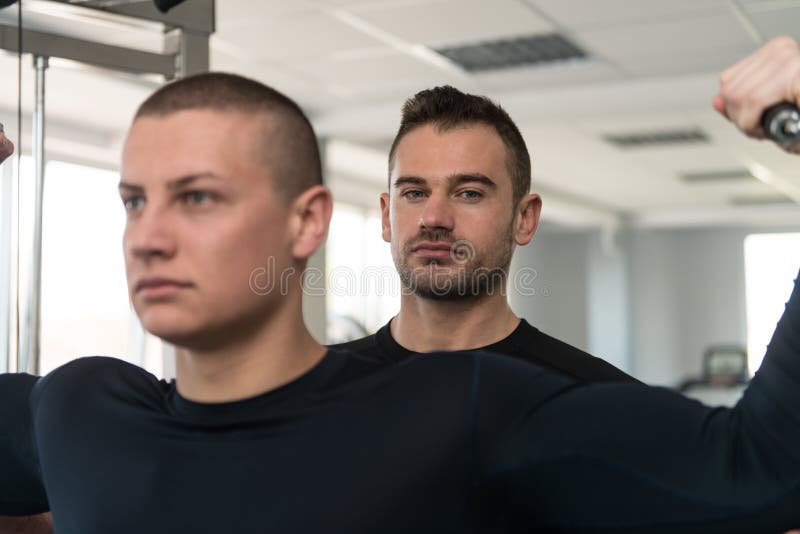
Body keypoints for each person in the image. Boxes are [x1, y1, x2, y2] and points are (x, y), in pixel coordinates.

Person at [3, 37, 800, 533]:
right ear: (381, 215)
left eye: (200, 197)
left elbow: (759, 471)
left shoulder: (496, 408)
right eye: (135, 201)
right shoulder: (90, 413)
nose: (151, 234)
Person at [333, 83, 636, 384]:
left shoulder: (599, 398)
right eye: (414, 193)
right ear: (386, 217)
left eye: (468, 194)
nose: (434, 218)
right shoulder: (313, 394)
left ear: (524, 218)